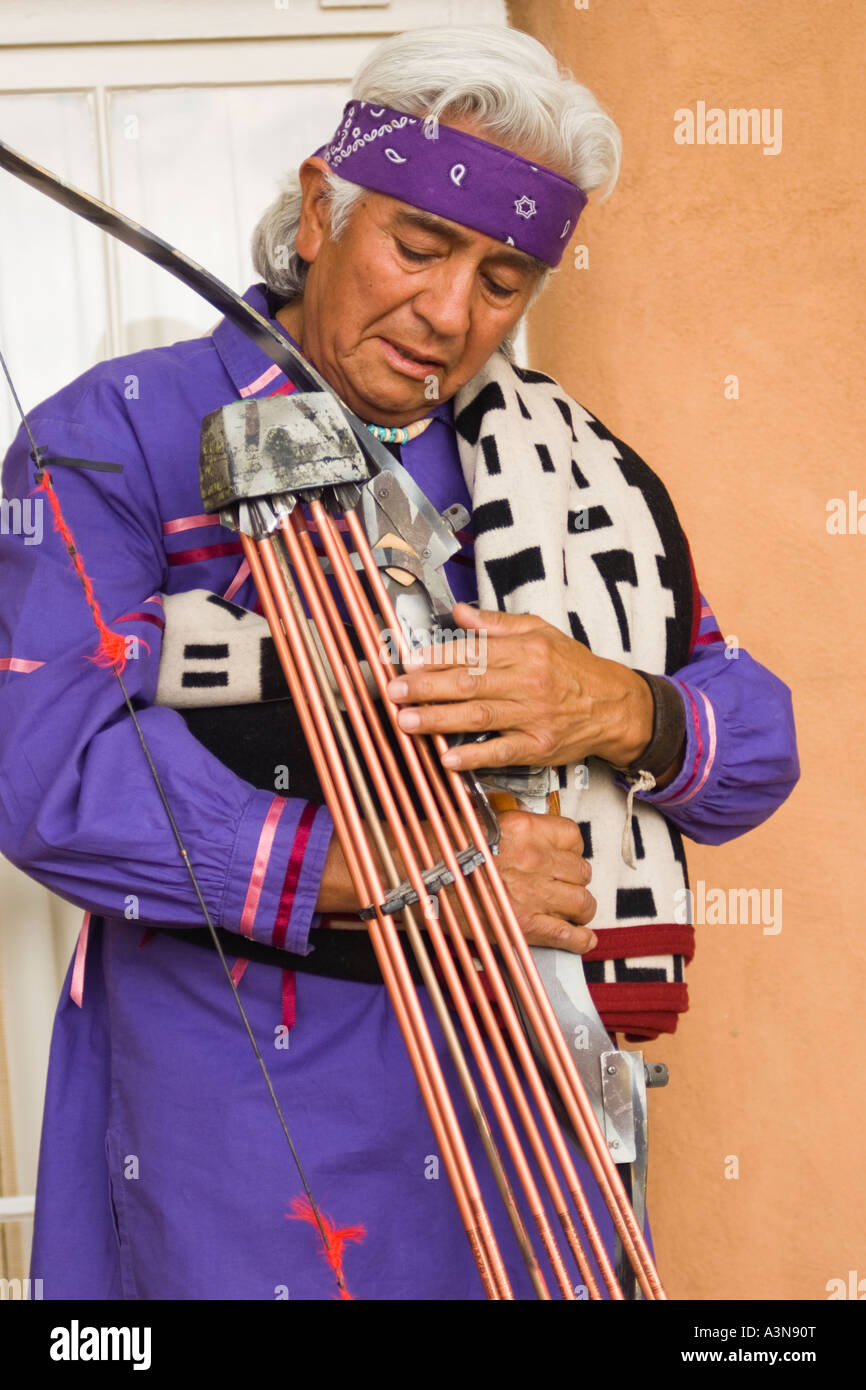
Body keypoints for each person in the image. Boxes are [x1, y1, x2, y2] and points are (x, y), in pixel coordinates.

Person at [0, 26, 798, 1300]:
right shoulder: (115, 436)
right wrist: (401, 866)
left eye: (504, 277)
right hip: (237, 1099)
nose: (447, 314)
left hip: (527, 1096)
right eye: (417, 247)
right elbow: (42, 770)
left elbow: (750, 747)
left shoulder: (557, 467)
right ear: (320, 209)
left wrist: (612, 704)